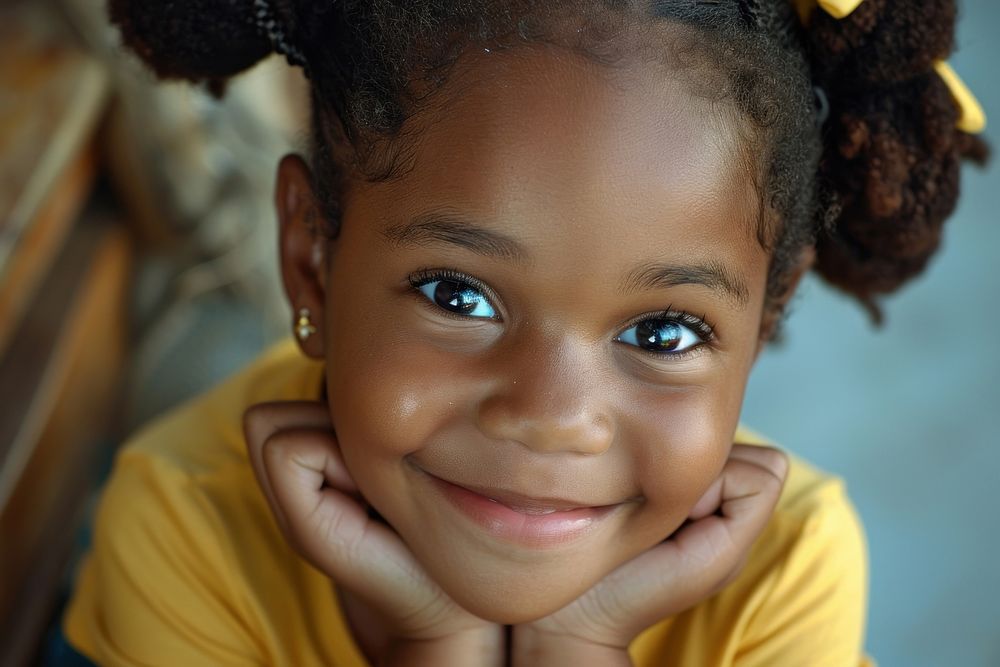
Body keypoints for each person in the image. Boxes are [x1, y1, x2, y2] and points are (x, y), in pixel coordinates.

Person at [60, 0, 988, 665]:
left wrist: (570, 645)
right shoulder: (186, 527)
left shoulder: (788, 570)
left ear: (768, 313)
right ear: (309, 252)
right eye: (459, 295)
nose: (553, 417)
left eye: (663, 331)